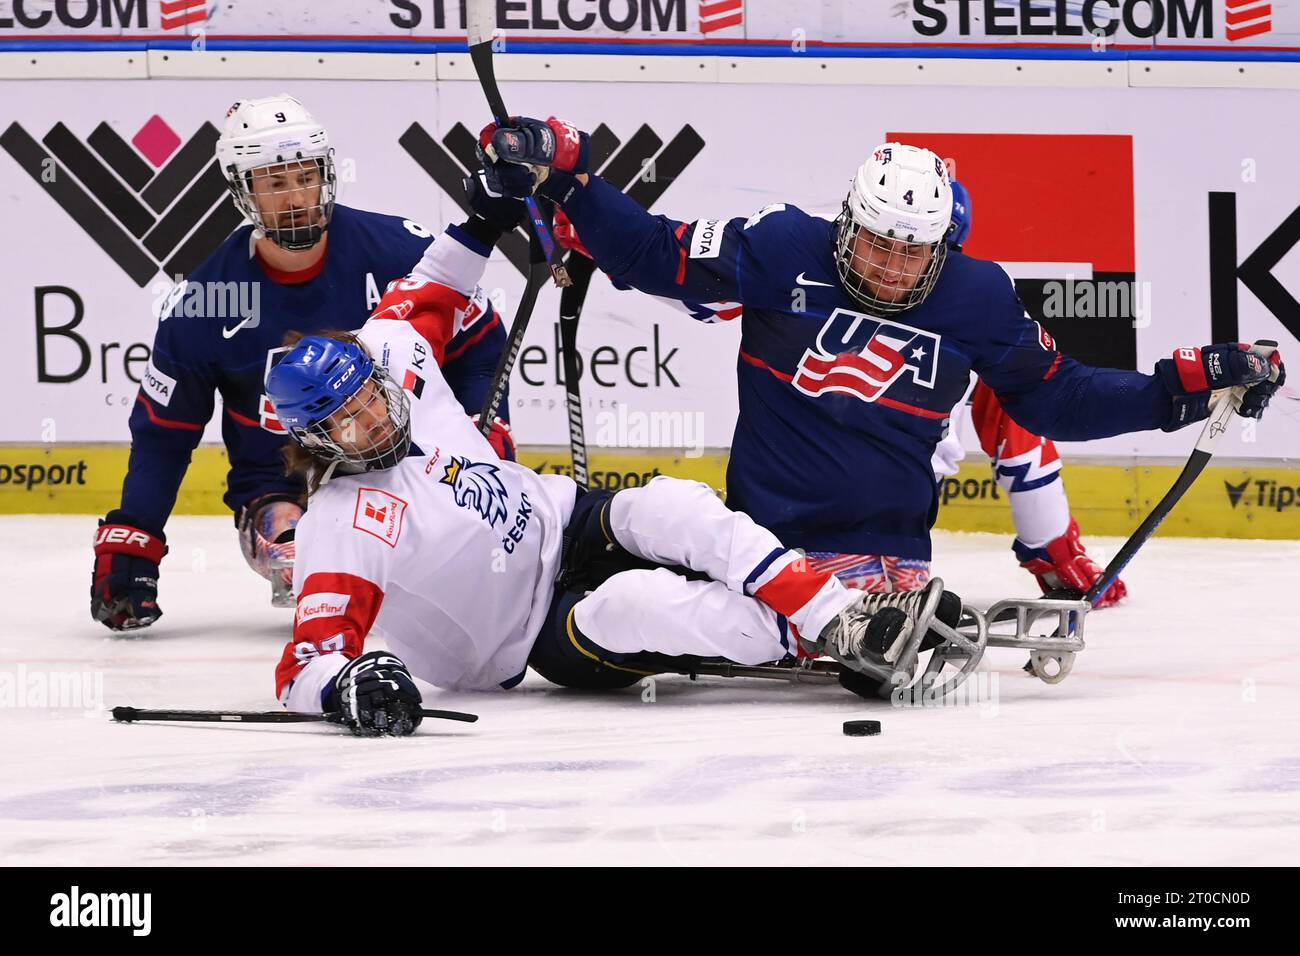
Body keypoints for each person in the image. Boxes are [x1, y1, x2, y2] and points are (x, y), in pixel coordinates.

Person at [469, 119, 1284, 605]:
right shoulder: (784, 244)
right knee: (600, 580)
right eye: (876, 241)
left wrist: (1179, 386)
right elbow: (655, 253)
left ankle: (1049, 551)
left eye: (912, 250)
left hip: (885, 552)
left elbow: (1057, 400)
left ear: (945, 244)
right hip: (753, 531)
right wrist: (567, 176)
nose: (892, 265)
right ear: (845, 218)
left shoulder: (976, 296)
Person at [265, 228, 952, 735]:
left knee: (674, 505)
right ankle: (829, 637)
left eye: (369, 398)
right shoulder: (342, 522)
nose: (371, 420)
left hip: (563, 517)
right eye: (347, 422)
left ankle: (838, 609)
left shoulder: (392, 352)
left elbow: (439, 280)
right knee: (636, 602)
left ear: (376, 373)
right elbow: (305, 666)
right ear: (315, 440)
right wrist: (348, 685)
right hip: (528, 633)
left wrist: (484, 210)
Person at [90, 94, 512, 631]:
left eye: (306, 176)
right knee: (293, 546)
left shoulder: (397, 252)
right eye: (274, 183)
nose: (296, 197)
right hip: (285, 486)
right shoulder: (204, 301)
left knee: (461, 542)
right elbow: (164, 434)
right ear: (244, 192)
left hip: (407, 457)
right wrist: (134, 539)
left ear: (327, 174)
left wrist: (484, 436)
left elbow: (479, 342)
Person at [932, 180, 1127, 606]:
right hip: (879, 514)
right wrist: (1054, 546)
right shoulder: (975, 303)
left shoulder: (812, 276)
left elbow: (1017, 419)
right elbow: (1019, 423)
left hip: (799, 501)